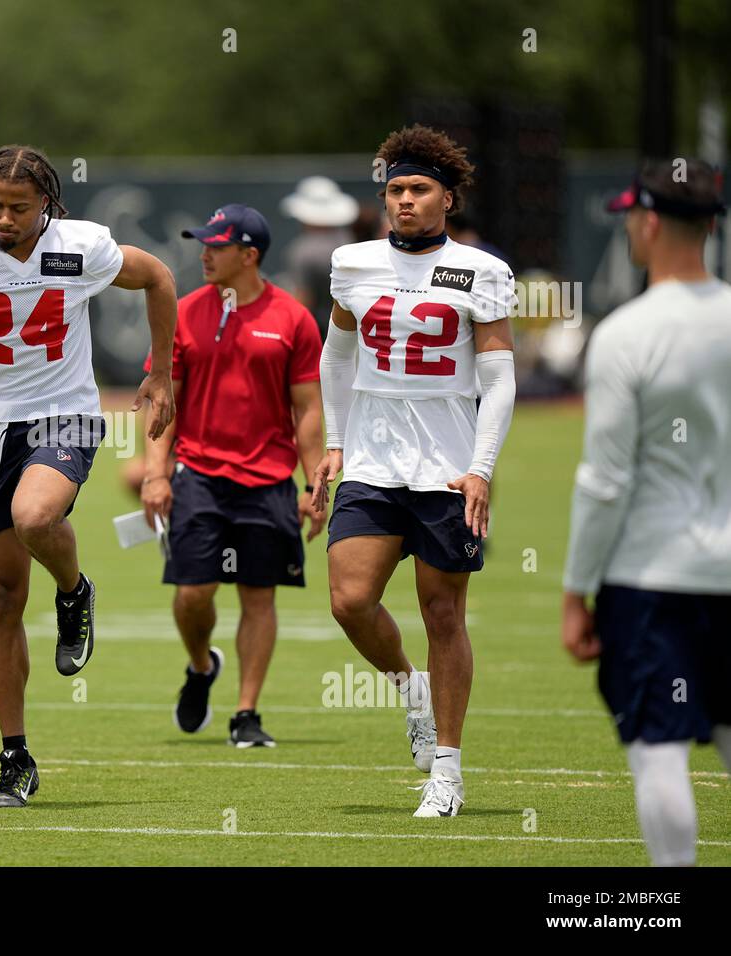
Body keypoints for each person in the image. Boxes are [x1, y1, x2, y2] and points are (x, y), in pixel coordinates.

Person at [0, 144, 176, 807]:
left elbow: (160, 276)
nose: (4, 219)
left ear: (46, 203)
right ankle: (16, 757)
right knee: (0, 594)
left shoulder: (83, 245)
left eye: (18, 208)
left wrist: (161, 371)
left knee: (34, 517)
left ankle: (74, 590)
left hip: (67, 414)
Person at [311, 125, 517, 817]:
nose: (403, 201)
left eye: (418, 189)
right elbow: (336, 357)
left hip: (448, 465)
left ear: (447, 198)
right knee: (349, 600)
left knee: (442, 613)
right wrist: (335, 443)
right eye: (394, 189)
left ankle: (448, 772)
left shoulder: (481, 270)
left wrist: (481, 468)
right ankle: (411, 688)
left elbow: (500, 375)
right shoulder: (353, 262)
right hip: (371, 459)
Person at [562, 159, 731, 866]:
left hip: (653, 576)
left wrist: (576, 587)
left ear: (649, 221)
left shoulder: (627, 334)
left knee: (659, 747)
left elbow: (606, 478)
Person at [141, 204, 324, 747]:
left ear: (250, 255)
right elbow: (160, 402)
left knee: (258, 597)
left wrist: (315, 485)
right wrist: (156, 475)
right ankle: (201, 666)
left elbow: (308, 410)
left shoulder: (293, 318)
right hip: (197, 474)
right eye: (202, 244)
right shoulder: (182, 312)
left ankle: (247, 713)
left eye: (216, 246)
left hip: (268, 481)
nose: (204, 254)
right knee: (192, 594)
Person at [280, 176, 358, 340]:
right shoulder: (349, 241)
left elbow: (303, 301)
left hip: (320, 334)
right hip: (355, 330)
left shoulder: (303, 251)